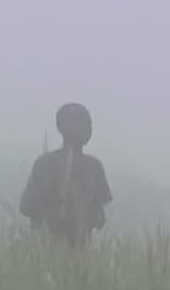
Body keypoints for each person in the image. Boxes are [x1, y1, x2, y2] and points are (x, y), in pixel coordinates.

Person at [19, 103, 113, 248]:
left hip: (71, 249)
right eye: (84, 123)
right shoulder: (92, 166)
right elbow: (27, 207)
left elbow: (27, 207)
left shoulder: (93, 166)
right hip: (52, 248)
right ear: (63, 127)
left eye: (89, 124)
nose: (89, 129)